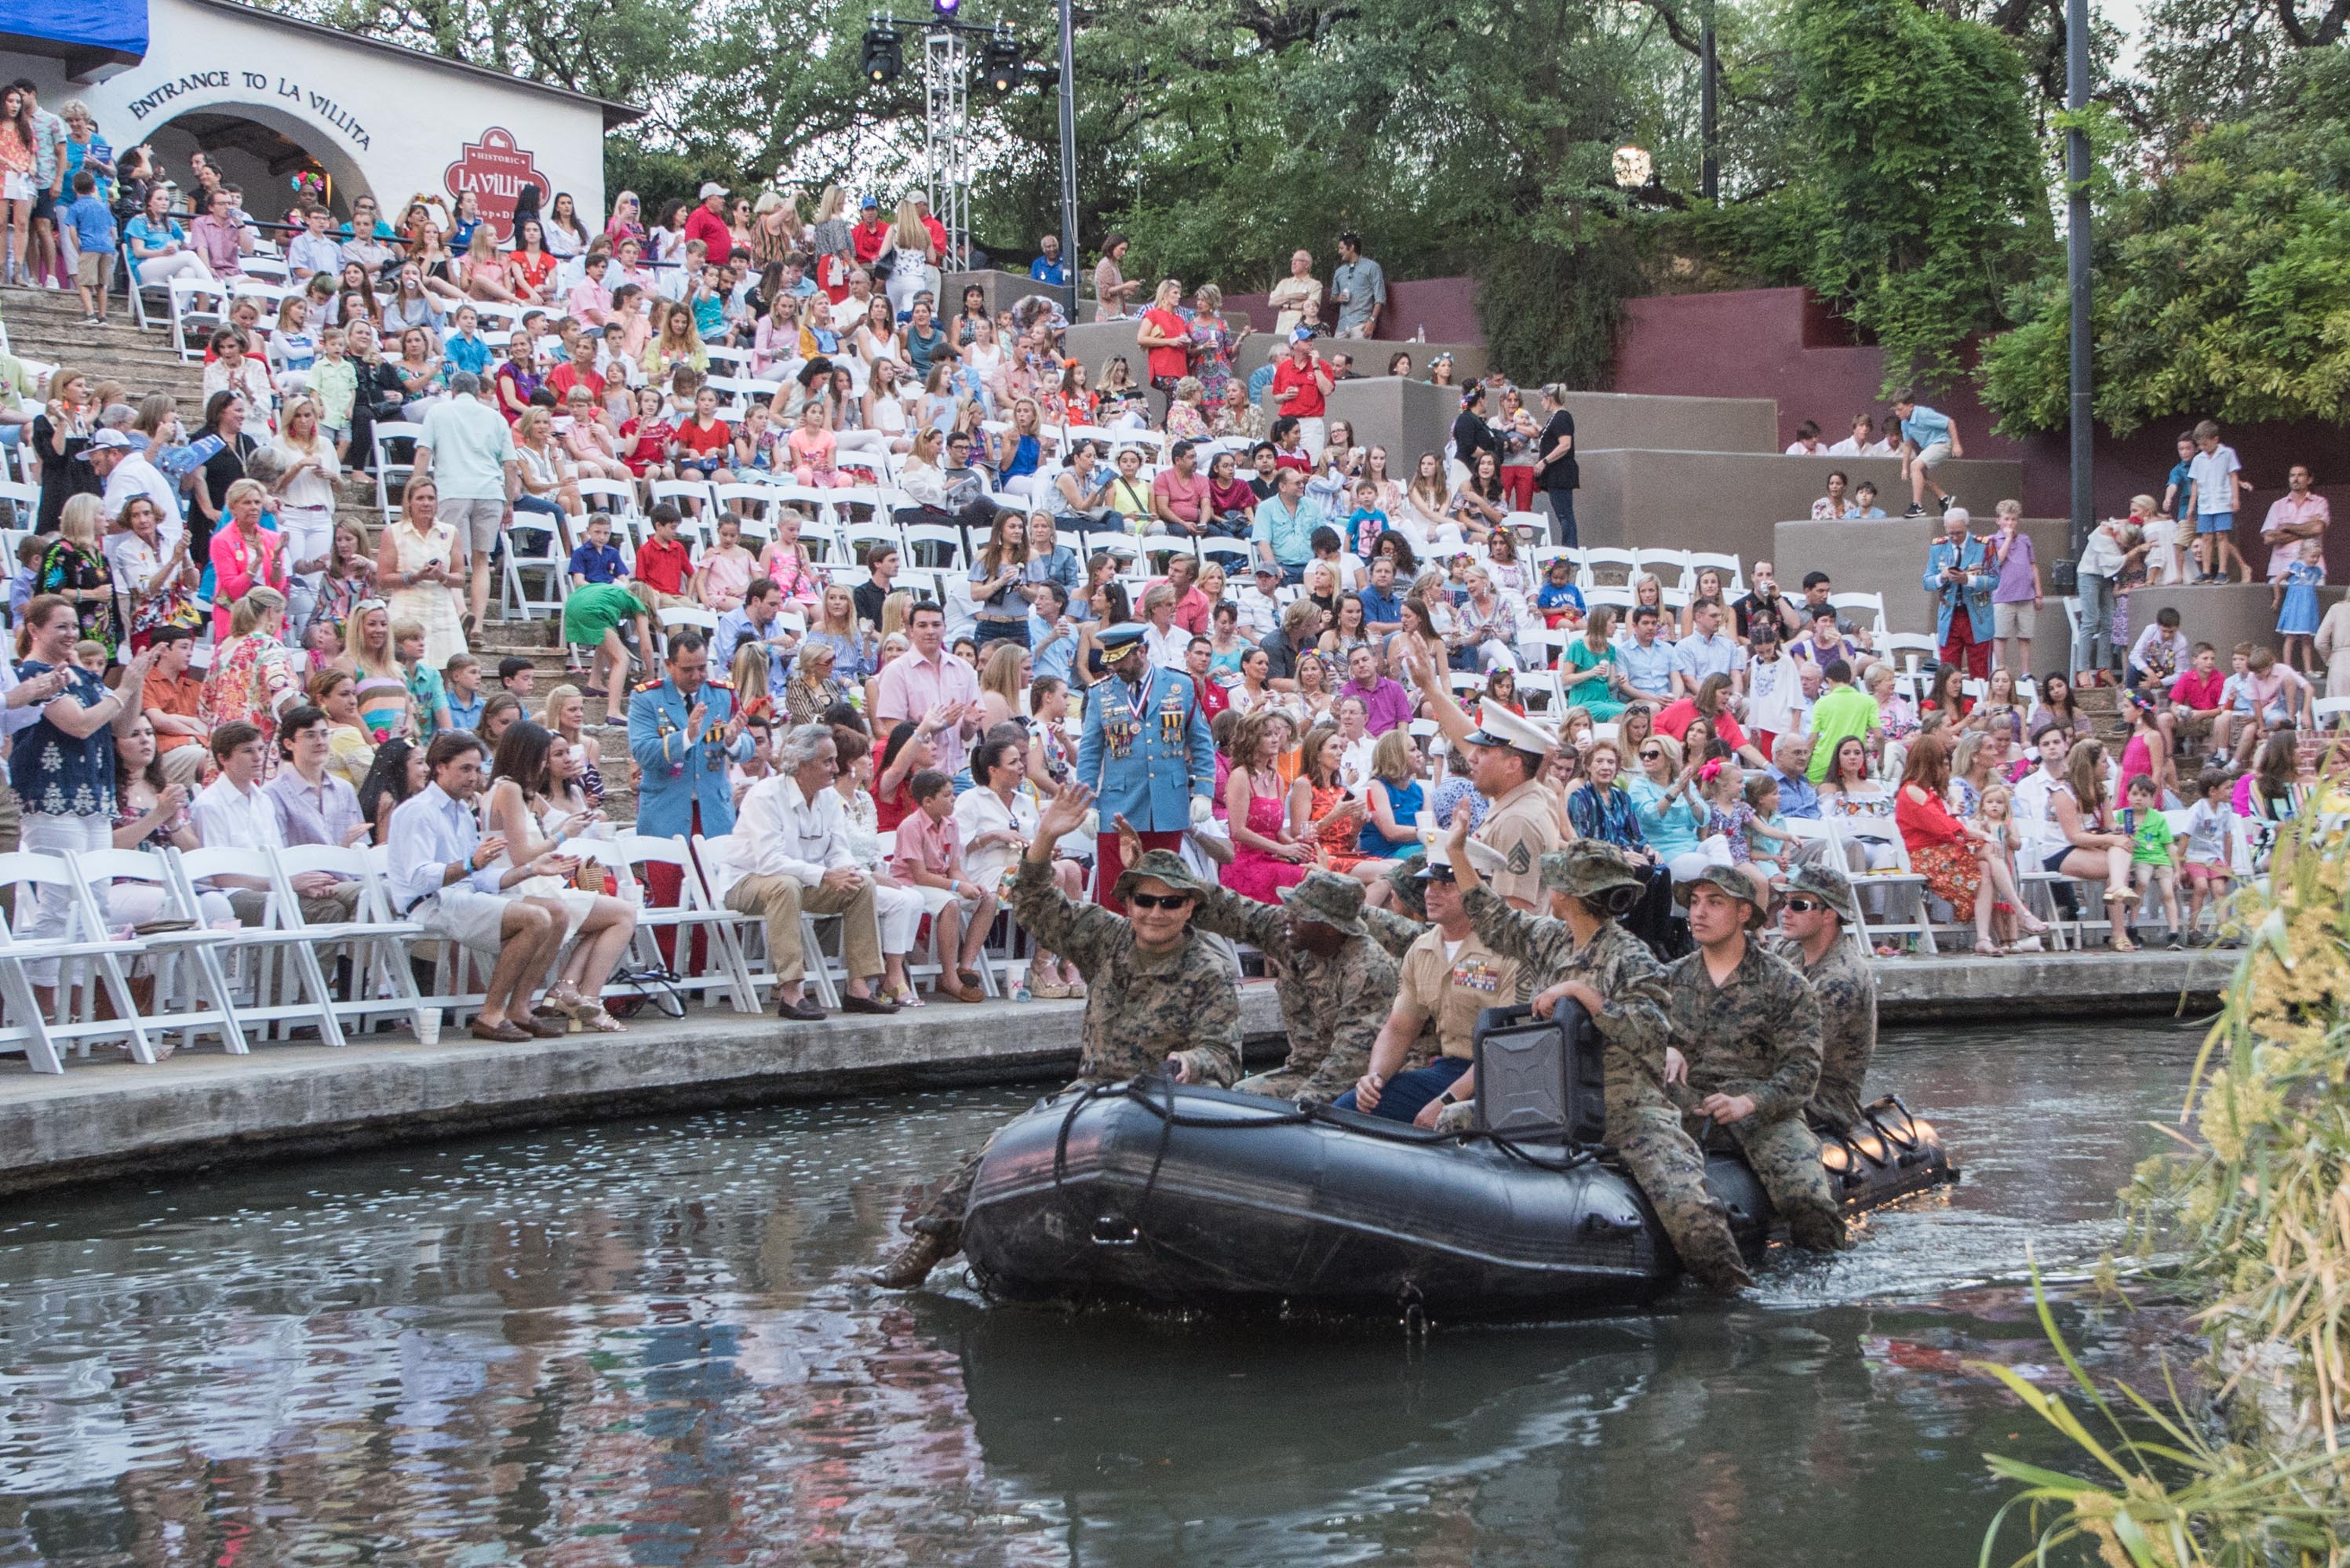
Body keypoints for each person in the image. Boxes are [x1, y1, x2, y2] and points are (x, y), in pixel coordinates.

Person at [867, 783, 1242, 1288]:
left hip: (1169, 1104)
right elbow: (1034, 902)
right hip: (1093, 1094)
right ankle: (926, 1247)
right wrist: (1044, 838)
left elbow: (1224, 1054)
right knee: (997, 1149)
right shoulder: (1106, 938)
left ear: (1190, 907)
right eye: (1145, 901)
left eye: (1170, 903)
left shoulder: (1209, 968)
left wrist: (1191, 1061)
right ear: (1128, 903)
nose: (1156, 912)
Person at [1440, 824, 1751, 1292]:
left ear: (1570, 893)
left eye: (1558, 882)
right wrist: (1457, 852)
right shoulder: (1552, 940)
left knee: (1691, 1213)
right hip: (1546, 1103)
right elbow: (1493, 918)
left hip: (1625, 1109)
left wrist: (1587, 996)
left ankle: (1734, 1297)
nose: (1551, 888)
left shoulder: (1632, 957)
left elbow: (1649, 1034)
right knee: (1451, 1124)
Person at [1662, 863, 1845, 1253]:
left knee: (1808, 1199)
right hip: (1687, 1110)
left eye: (1715, 902)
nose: (1699, 912)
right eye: (1694, 902)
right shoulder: (1670, 979)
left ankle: (1825, 1286)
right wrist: (1666, 1047)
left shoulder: (1784, 983)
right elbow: (1635, 1038)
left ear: (1744, 913)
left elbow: (1803, 1070)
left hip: (1764, 1115)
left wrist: (1749, 1102)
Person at [385, 733, 577, 1042]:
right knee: (536, 918)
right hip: (429, 903)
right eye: (465, 769)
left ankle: (519, 1008)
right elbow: (420, 878)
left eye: (476, 770)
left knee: (558, 912)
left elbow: (479, 877)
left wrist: (531, 869)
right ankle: (490, 1014)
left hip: (462, 895)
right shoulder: (417, 811)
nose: (473, 778)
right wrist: (471, 864)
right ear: (440, 767)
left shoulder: (462, 811)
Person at [716, 722, 901, 1019]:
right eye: (827, 761)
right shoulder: (765, 795)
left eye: (835, 760)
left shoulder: (828, 796)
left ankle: (859, 989)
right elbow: (769, 863)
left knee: (861, 884)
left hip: (803, 881)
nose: (835, 768)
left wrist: (844, 871)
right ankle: (791, 993)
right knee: (785, 884)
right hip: (748, 882)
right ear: (802, 765)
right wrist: (826, 876)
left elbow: (839, 849)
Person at [1338, 835, 1522, 1125]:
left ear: (1477, 888)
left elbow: (1508, 1044)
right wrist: (1375, 1077)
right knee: (1345, 1113)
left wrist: (1447, 1100)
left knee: (1444, 1121)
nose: (1430, 893)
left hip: (1505, 1075)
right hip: (1450, 1069)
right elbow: (1400, 1029)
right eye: (1429, 883)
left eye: (1446, 885)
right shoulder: (1423, 949)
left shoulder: (1509, 948)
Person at [628, 629, 755, 954]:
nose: (697, 676)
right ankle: (667, 974)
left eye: (702, 668)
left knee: (715, 896)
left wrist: (732, 741)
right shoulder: (647, 697)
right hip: (667, 814)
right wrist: (685, 737)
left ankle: (709, 971)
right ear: (669, 664)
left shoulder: (721, 694)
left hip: (713, 811)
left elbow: (750, 745)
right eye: (688, 670)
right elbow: (644, 752)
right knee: (667, 900)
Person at [1075, 622, 1217, 910]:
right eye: (1110, 661)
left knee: (1164, 890)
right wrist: (1087, 802)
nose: (1114, 669)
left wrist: (1204, 789)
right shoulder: (1101, 693)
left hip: (1167, 803)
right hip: (1118, 806)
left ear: (1141, 652)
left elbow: (1201, 741)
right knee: (1116, 893)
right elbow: (1089, 753)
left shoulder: (1180, 685)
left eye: (1121, 660)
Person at [1763, 861, 1878, 1136]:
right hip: (1780, 1082)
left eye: (1799, 905)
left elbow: (1795, 1053)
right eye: (1784, 902)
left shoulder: (1841, 980)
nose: (1785, 913)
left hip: (1823, 1101)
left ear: (1829, 915)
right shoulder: (1789, 950)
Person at [414, 370, 519, 637]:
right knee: (481, 559)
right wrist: (508, 502)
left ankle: (462, 611)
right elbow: (510, 464)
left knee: (450, 555)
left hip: (454, 489)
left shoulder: (439, 413)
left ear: (452, 390)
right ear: (477, 391)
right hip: (490, 491)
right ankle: (479, 625)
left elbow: (424, 451)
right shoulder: (496, 418)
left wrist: (415, 489)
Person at [1923, 507, 1995, 680]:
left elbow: (1994, 580)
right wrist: (1943, 577)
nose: (1955, 538)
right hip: (1949, 616)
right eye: (1951, 534)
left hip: (1977, 616)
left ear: (1968, 527)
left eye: (1959, 533)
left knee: (1980, 672)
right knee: (1948, 673)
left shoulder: (1983, 546)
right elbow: (1927, 582)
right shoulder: (1938, 547)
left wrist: (1968, 580)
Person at [1891, 388, 1961, 517]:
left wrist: (1956, 445)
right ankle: (1944, 498)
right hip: (1930, 447)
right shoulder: (1905, 424)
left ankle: (1917, 506)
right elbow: (1907, 446)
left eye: (1900, 409)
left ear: (1910, 406)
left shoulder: (1923, 414)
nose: (1897, 413)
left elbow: (1949, 423)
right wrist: (1904, 468)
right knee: (1917, 474)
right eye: (1896, 410)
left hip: (1942, 443)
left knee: (1915, 466)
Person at [1328, 231, 1385, 339]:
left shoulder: (1372, 267)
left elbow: (1380, 298)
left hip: (1361, 324)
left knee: (1359, 355)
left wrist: (1372, 321)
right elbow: (1332, 299)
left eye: (1342, 248)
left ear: (1351, 247)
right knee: (1336, 355)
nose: (1339, 252)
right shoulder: (1339, 272)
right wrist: (1338, 298)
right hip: (1342, 325)